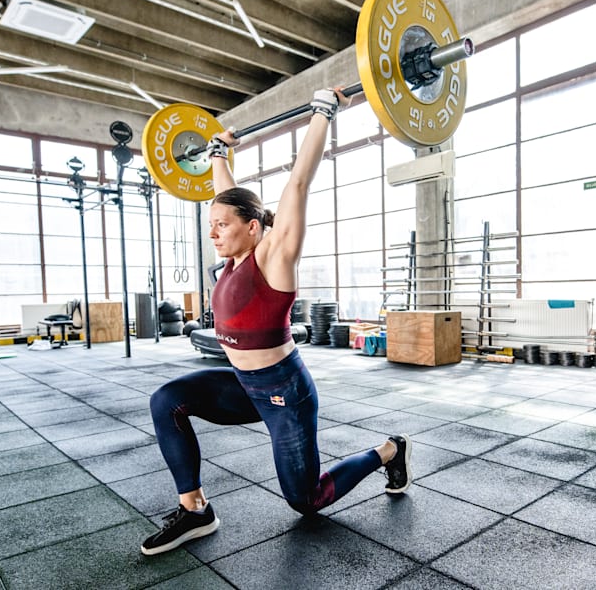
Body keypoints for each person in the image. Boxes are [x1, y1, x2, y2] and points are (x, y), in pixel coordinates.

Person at [142, 88, 413, 556]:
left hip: (284, 392)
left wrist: (322, 115)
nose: (213, 233)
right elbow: (225, 196)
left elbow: (298, 186)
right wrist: (218, 153)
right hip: (243, 384)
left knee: (306, 501)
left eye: (220, 225)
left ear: (252, 227)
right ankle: (195, 511)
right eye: (211, 225)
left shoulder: (274, 257)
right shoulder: (234, 252)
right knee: (167, 400)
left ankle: (388, 451)